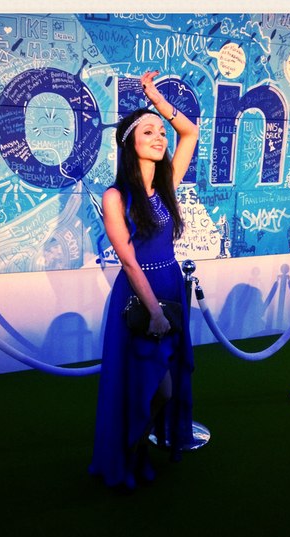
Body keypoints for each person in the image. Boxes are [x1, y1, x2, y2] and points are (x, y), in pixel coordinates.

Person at [89, 70, 199, 490]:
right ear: (128, 143)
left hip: (171, 286)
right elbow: (129, 261)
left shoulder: (168, 184)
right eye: (148, 131)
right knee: (145, 385)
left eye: (160, 132)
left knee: (166, 384)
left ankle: (138, 447)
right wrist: (154, 312)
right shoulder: (115, 197)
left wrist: (156, 100)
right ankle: (127, 455)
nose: (159, 137)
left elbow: (189, 132)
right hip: (139, 298)